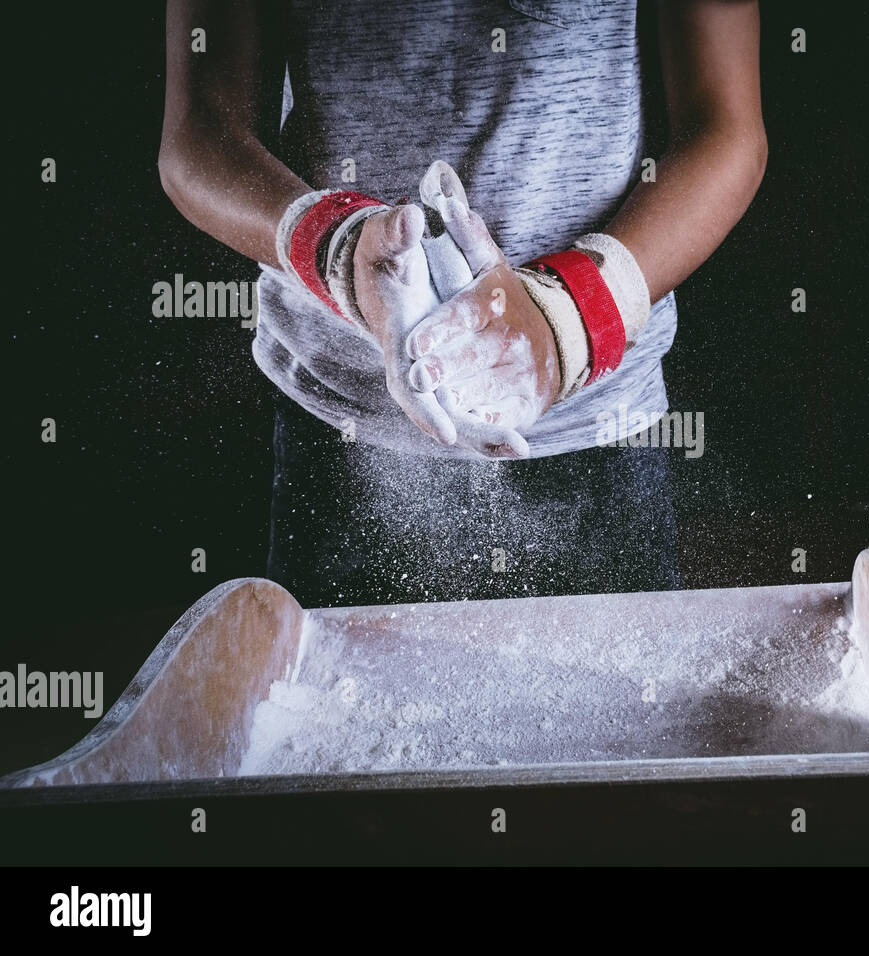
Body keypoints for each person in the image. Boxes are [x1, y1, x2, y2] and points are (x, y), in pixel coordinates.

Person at [159, 0, 766, 606]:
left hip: (596, 418)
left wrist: (570, 313)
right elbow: (199, 137)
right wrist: (342, 253)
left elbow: (727, 128)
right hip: (340, 414)